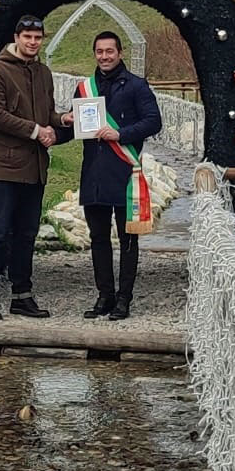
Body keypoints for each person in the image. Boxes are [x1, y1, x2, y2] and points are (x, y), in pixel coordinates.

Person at [0, 14, 70, 318]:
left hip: (34, 168)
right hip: (3, 167)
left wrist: (62, 120)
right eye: (27, 37)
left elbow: (47, 114)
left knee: (26, 233)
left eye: (37, 38)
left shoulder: (43, 73)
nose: (33, 42)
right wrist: (36, 131)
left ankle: (22, 295)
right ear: (17, 38)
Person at [76, 29, 162, 321]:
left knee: (127, 240)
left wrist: (121, 133)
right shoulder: (85, 88)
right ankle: (105, 296)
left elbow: (153, 122)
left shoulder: (137, 86)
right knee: (98, 238)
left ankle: (124, 299)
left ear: (120, 52)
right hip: (95, 173)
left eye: (109, 51)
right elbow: (78, 125)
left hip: (125, 172)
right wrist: (57, 126)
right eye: (99, 52)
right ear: (94, 54)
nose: (104, 57)